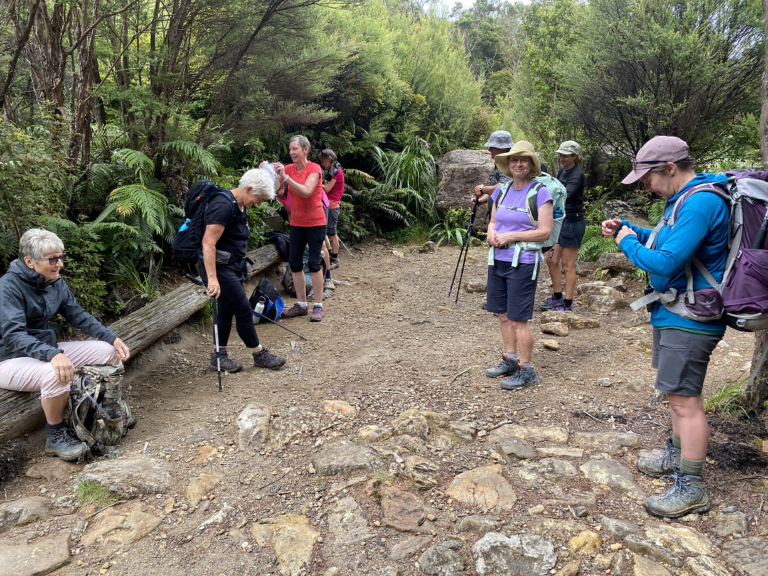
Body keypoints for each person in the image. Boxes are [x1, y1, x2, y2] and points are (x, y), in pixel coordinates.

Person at [602, 135, 729, 519]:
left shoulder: (701, 201)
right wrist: (633, 230)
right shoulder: (683, 199)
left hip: (690, 319)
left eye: (647, 179)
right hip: (675, 313)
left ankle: (692, 487)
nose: (645, 186)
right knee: (676, 394)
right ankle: (676, 458)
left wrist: (626, 243)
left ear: (670, 168)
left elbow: (665, 263)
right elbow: (666, 243)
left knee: (685, 402)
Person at [0, 229, 131, 461]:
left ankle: (109, 410)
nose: (60, 264)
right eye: (53, 259)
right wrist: (53, 354)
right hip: (10, 358)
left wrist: (112, 337)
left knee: (110, 352)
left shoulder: (54, 282)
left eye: (61, 257)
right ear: (30, 261)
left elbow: (77, 315)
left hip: (45, 349)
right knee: (57, 372)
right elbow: (13, 335)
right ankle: (55, 436)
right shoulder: (8, 286)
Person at [199, 169, 286, 372]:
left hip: (232, 266)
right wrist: (212, 279)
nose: (259, 203)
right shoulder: (222, 206)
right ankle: (259, 353)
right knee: (244, 310)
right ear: (248, 189)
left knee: (227, 310)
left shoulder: (238, 204)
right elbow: (208, 243)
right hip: (219, 268)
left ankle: (218, 356)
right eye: (259, 198)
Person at [485, 141, 553, 390]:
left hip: (523, 262)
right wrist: (492, 232)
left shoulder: (540, 192)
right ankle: (510, 359)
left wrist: (511, 236)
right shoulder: (500, 191)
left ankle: (528, 370)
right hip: (498, 259)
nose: (518, 164)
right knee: (502, 314)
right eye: (514, 160)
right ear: (508, 164)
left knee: (518, 318)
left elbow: (545, 232)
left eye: (524, 160)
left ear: (532, 164)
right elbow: (493, 221)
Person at [274, 136, 327, 322]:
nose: (292, 153)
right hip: (297, 223)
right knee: (295, 263)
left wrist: (286, 177)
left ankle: (318, 305)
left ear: (305, 150)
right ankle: (302, 304)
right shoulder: (287, 169)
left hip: (316, 222)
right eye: (290, 149)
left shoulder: (314, 168)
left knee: (313, 263)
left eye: (295, 149)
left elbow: (306, 191)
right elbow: (280, 192)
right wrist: (267, 173)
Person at [540, 141, 586, 311]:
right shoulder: (562, 171)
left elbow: (564, 193)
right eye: (560, 155)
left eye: (565, 155)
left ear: (574, 156)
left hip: (573, 222)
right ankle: (557, 296)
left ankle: (567, 303)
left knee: (567, 265)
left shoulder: (577, 174)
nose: (561, 158)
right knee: (551, 260)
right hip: (560, 222)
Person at [318, 149, 344, 270]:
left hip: (333, 205)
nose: (322, 164)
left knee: (333, 234)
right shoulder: (333, 170)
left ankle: (334, 259)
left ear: (329, 159)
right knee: (327, 233)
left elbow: (327, 189)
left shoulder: (337, 172)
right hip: (329, 204)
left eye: (323, 161)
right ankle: (327, 256)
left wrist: (316, 182)